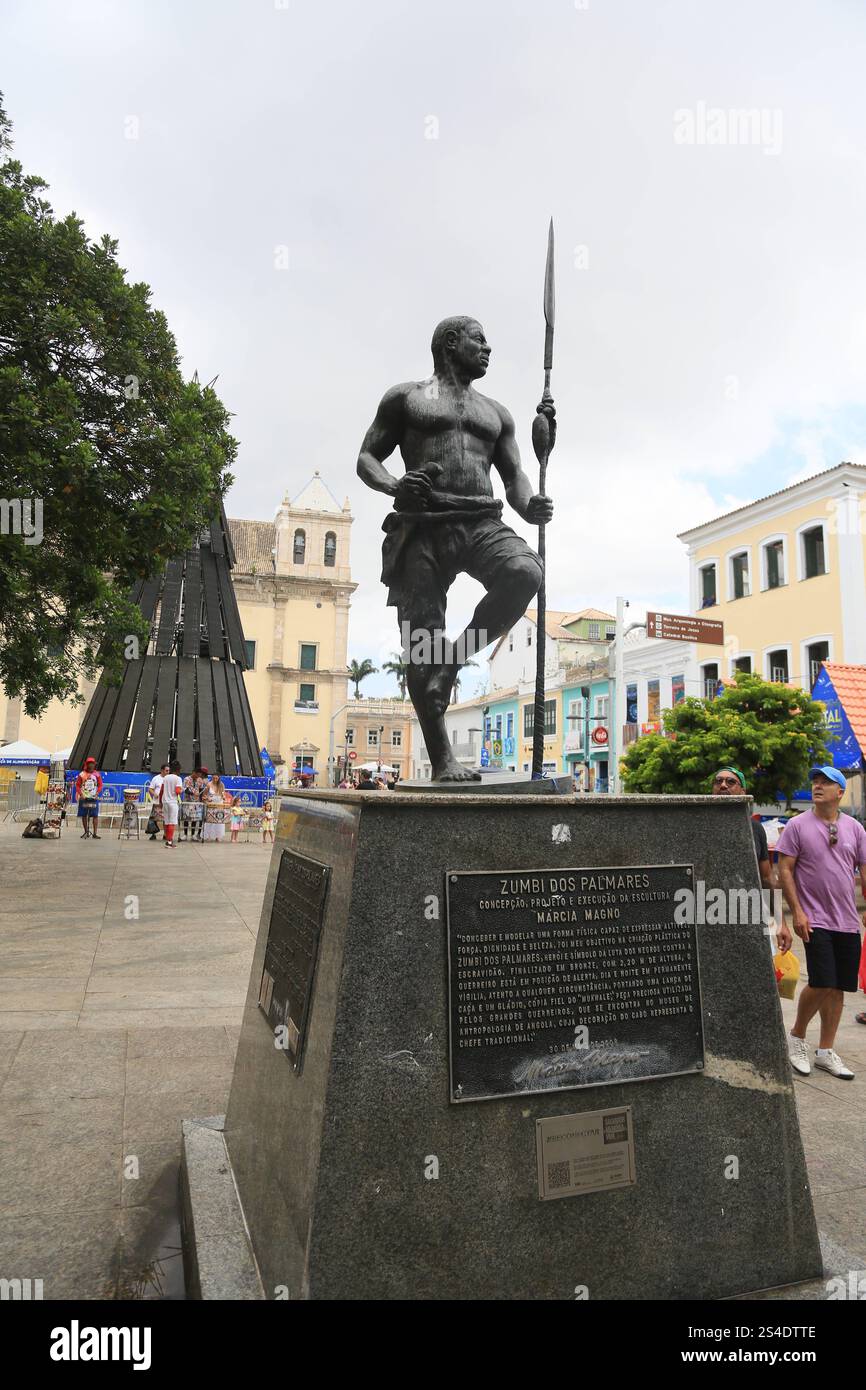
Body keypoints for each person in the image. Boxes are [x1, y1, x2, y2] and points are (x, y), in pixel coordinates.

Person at [356, 315, 554, 782]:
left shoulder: (497, 413)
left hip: (481, 520)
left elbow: (514, 478)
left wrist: (531, 505)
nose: (488, 349)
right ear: (450, 343)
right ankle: (443, 759)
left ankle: (458, 656)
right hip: (422, 526)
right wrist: (395, 486)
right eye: (479, 340)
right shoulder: (405, 398)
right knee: (422, 644)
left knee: (526, 571)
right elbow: (366, 458)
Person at [777, 767, 866, 1080]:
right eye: (815, 781)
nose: (817, 785)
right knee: (822, 981)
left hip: (847, 921)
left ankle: (826, 1051)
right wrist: (796, 912)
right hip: (814, 919)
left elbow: (864, 870)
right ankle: (797, 1035)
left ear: (839, 791)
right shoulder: (797, 826)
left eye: (826, 782)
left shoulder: (855, 828)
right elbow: (784, 870)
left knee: (840, 988)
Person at [710, 765, 788, 943]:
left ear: (742, 790)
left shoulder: (755, 829)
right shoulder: (698, 827)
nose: (723, 785)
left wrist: (780, 922)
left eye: (730, 782)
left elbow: (767, 878)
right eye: (718, 781)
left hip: (750, 919)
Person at [75, 756, 103, 839]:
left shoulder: (97, 774)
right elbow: (77, 785)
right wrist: (81, 794)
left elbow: (100, 785)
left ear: (94, 765)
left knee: (95, 815)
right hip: (84, 798)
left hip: (93, 798)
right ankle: (86, 831)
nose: (91, 765)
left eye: (92, 764)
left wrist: (97, 793)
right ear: (87, 764)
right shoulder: (82, 774)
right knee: (84, 815)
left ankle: (95, 833)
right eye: (89, 764)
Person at [160, 760, 184, 848]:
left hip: (164, 801)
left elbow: (161, 791)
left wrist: (160, 802)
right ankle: (169, 842)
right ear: (178, 770)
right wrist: (182, 789)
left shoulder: (165, 778)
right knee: (172, 822)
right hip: (172, 802)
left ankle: (167, 839)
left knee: (166, 821)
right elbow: (178, 791)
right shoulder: (178, 779)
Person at [201, 773, 227, 842]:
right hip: (211, 804)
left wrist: (224, 797)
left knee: (219, 820)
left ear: (218, 778)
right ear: (212, 778)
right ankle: (207, 835)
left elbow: (223, 794)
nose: (215, 780)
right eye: (214, 778)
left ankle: (218, 836)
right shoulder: (208, 784)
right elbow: (204, 796)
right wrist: (207, 799)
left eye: (216, 778)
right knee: (210, 820)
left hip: (219, 804)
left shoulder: (221, 785)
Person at [147, 764, 169, 842]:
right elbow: (150, 789)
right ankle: (153, 834)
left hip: (165, 802)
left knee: (165, 819)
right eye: (166, 770)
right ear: (162, 770)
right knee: (154, 819)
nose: (168, 772)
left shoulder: (169, 779)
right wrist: (154, 794)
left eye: (168, 771)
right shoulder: (156, 778)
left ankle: (165, 835)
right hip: (157, 802)